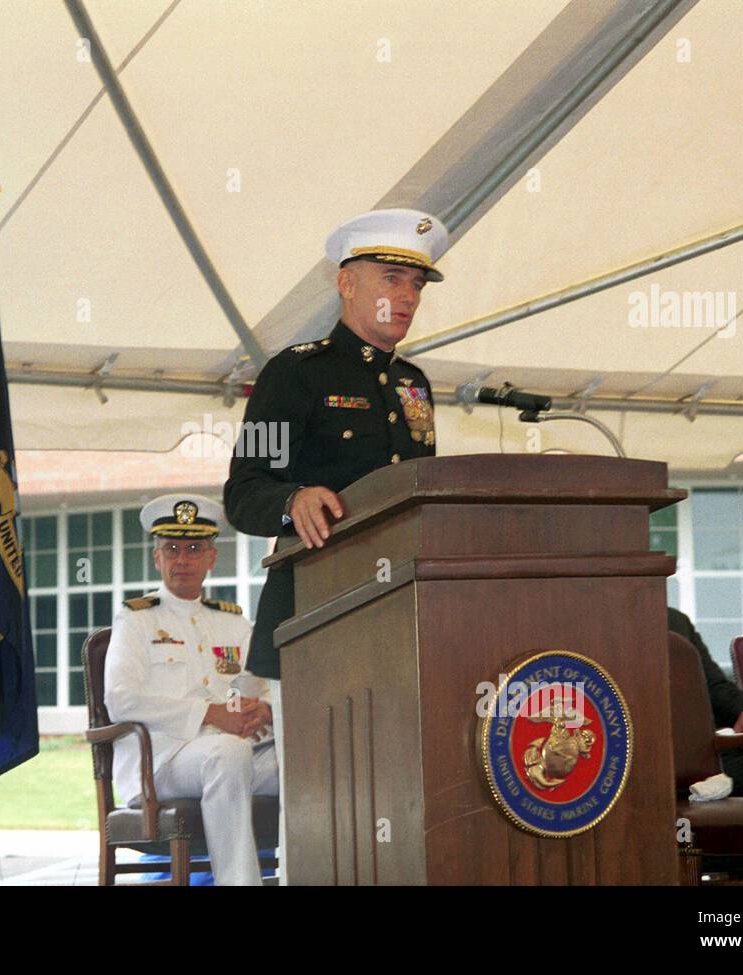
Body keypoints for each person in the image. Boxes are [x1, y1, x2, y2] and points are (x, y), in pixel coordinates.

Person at [223, 207, 450, 882]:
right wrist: (292, 499)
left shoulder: (414, 384)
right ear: (345, 283)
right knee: (321, 809)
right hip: (317, 622)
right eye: (392, 278)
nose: (407, 297)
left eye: (417, 284)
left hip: (404, 625)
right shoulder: (293, 375)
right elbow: (244, 490)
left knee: (405, 803)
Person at [102, 494, 277, 886]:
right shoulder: (136, 619)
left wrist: (263, 710)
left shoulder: (232, 622)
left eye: (195, 548)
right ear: (157, 558)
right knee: (227, 753)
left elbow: (262, 685)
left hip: (230, 753)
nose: (183, 559)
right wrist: (211, 714)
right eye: (172, 549)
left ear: (212, 558)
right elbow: (120, 700)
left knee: (306, 759)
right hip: (162, 761)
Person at [669, 607, 743, 799]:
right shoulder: (605, 624)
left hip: (696, 755)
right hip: (629, 758)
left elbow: (714, 684)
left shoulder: (674, 620)